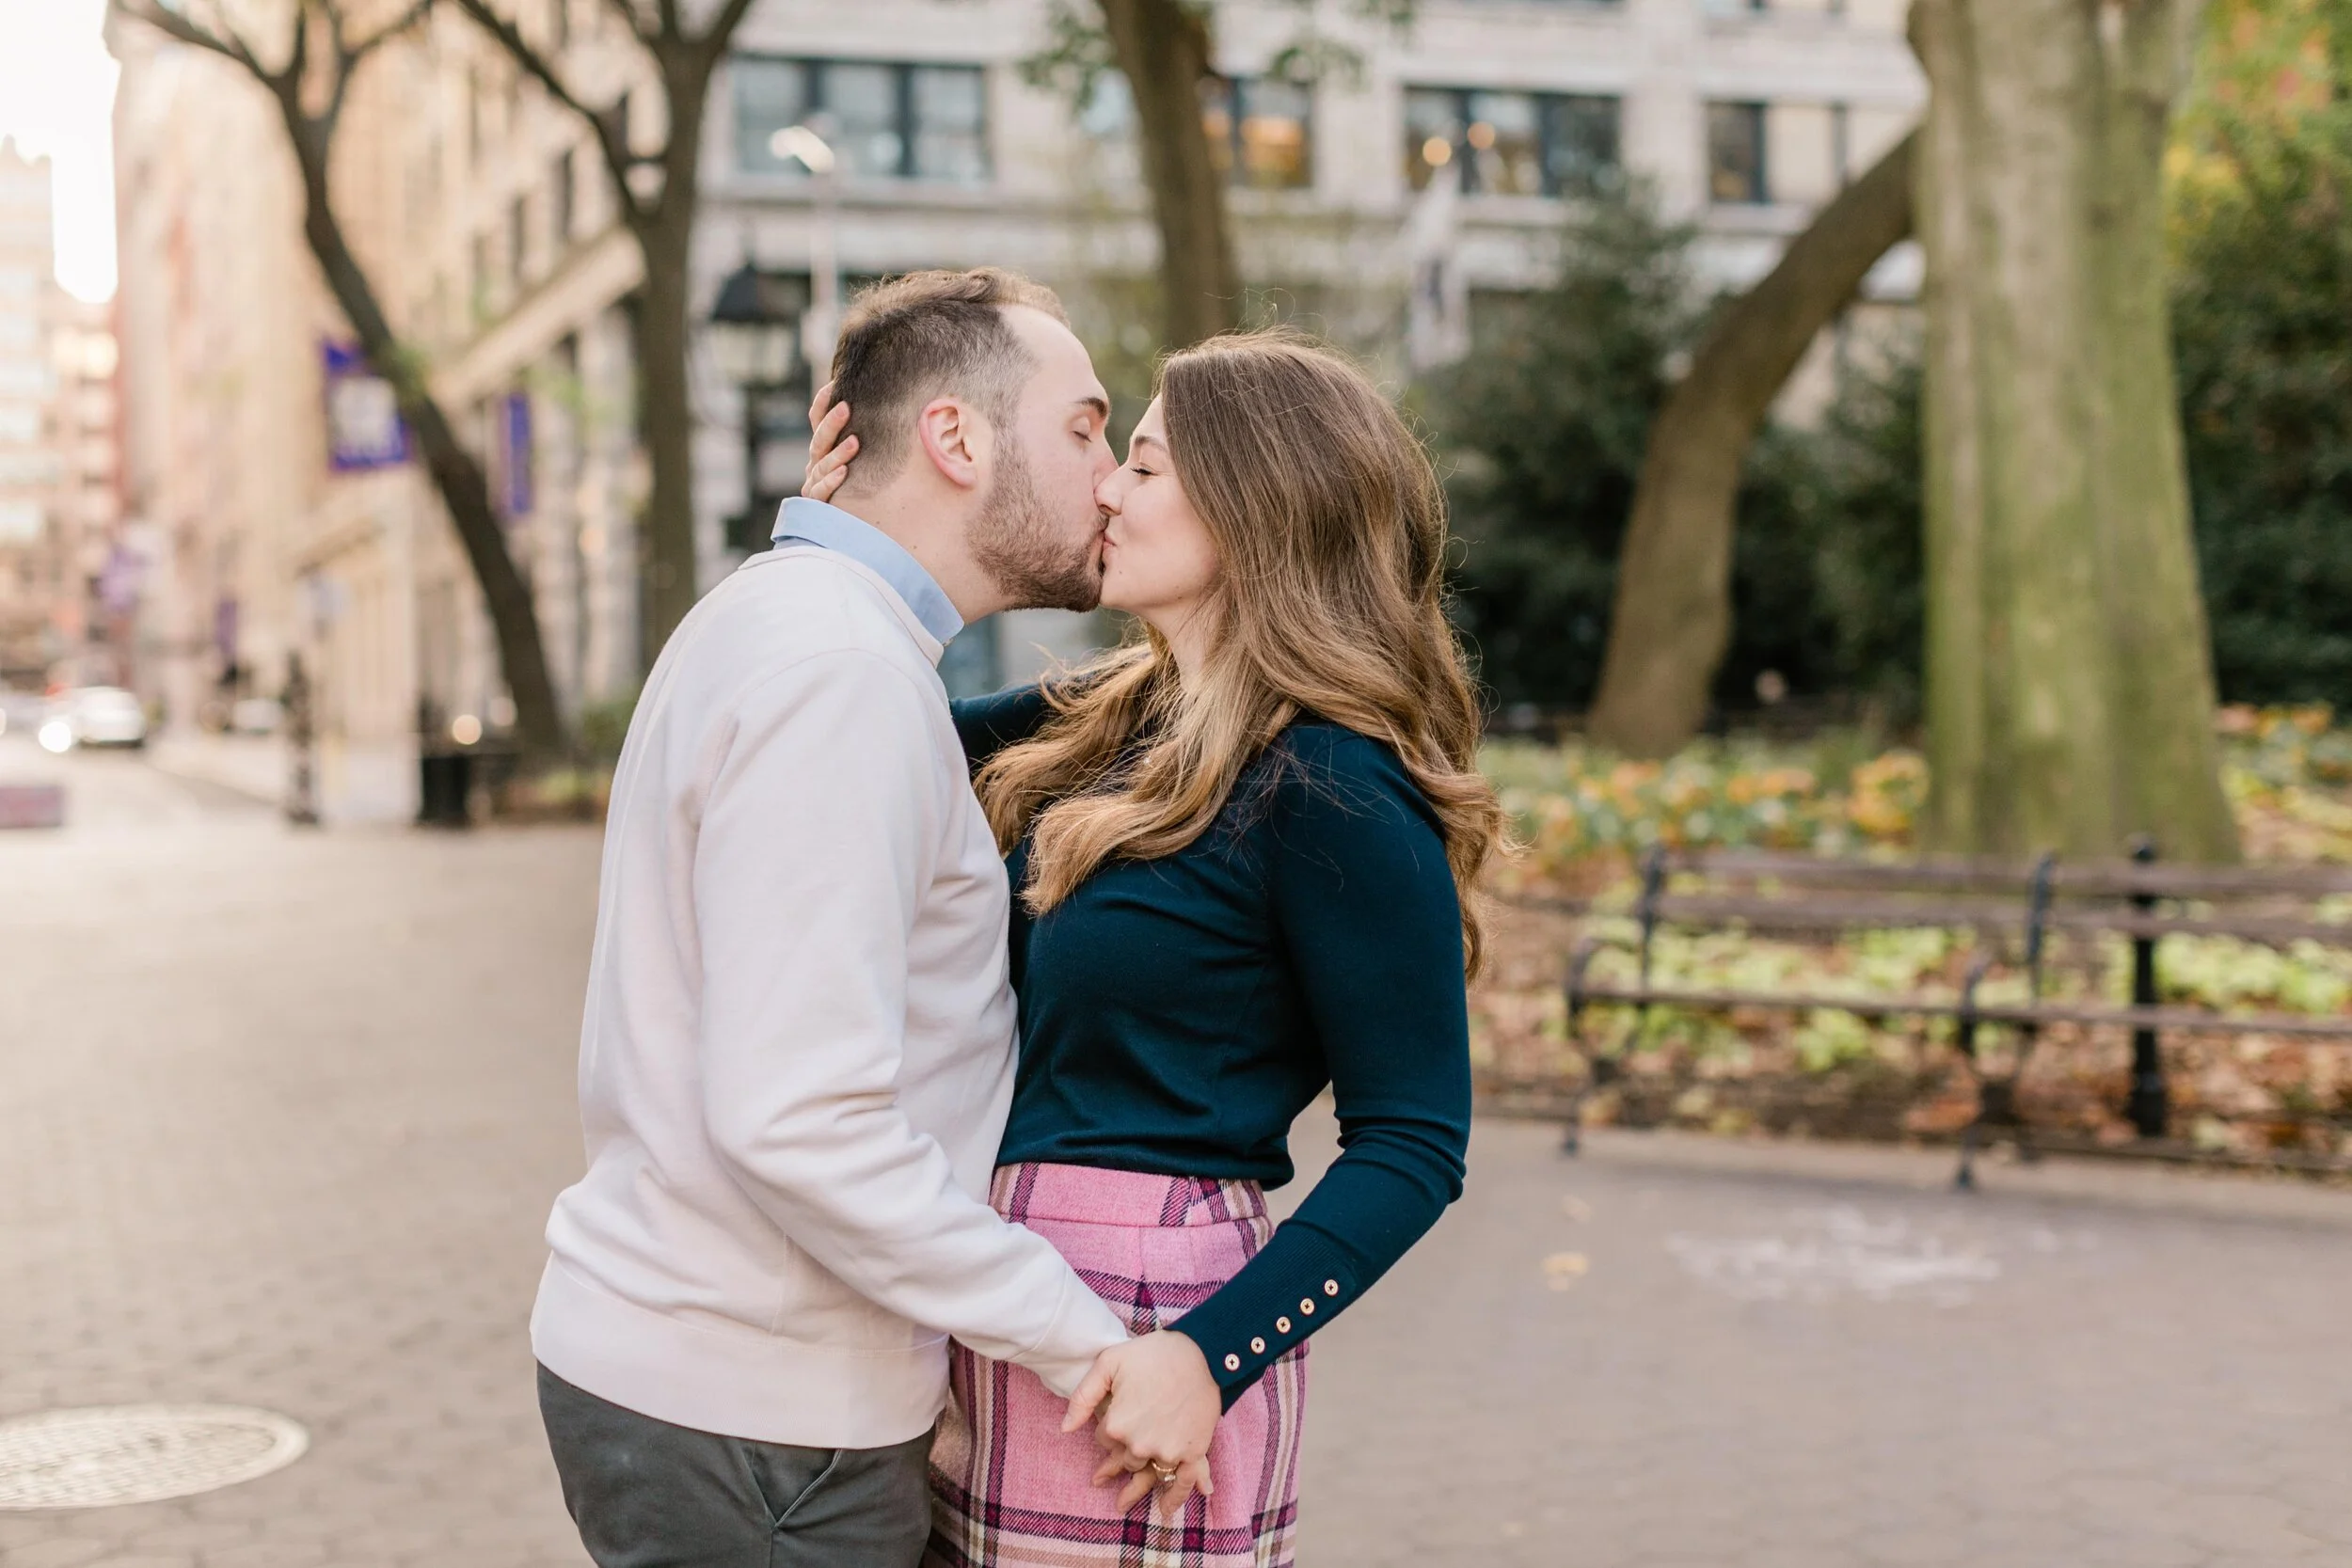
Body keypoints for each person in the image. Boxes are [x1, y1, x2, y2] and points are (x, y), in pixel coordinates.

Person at [531, 268, 1221, 1568]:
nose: (1108, 482)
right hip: (761, 1419)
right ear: (956, 437)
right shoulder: (839, 671)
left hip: (725, 1387)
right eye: (1084, 430)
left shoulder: (801, 625)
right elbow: (799, 1117)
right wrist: (1084, 1339)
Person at [802, 325, 1504, 1568]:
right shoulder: (1110, 715)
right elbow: (864, 713)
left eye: (1142, 462)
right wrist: (843, 543)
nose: (1106, 491)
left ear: (1254, 505)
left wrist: (1214, 1356)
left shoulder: (1333, 781)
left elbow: (1415, 1141)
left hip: (1151, 1331)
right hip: (995, 1296)